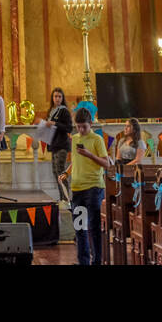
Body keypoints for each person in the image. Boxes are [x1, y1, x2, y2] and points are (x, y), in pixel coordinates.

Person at [61, 107, 112, 265]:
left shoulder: (97, 139)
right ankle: (83, 262)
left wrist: (89, 154)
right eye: (78, 126)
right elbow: (76, 160)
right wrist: (67, 173)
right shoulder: (75, 138)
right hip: (77, 189)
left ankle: (97, 261)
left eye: (84, 126)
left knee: (94, 228)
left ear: (91, 124)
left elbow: (106, 164)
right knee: (80, 228)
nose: (81, 130)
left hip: (94, 188)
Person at [44, 87, 73, 206]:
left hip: (62, 145)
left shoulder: (64, 111)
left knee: (61, 171)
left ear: (62, 98)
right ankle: (62, 198)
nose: (57, 99)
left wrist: (55, 123)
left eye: (59, 97)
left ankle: (67, 198)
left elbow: (69, 128)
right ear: (52, 98)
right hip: (54, 144)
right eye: (55, 96)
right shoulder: (51, 111)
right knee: (55, 172)